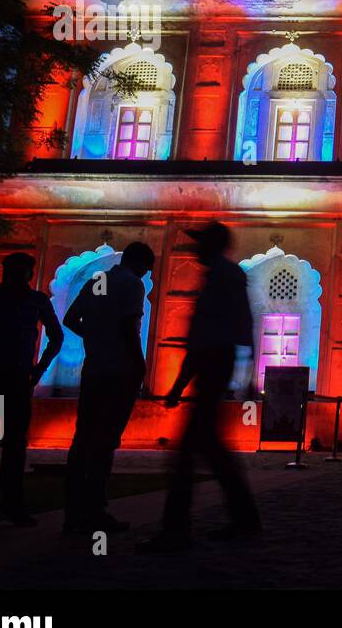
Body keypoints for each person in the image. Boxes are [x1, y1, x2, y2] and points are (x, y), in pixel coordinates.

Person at [138, 222, 260, 552]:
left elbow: (218, 331)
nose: (195, 249)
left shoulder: (224, 276)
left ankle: (176, 530)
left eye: (200, 243)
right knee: (210, 448)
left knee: (187, 454)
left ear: (212, 245)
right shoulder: (223, 275)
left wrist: (182, 383)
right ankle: (244, 518)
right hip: (214, 362)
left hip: (214, 362)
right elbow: (234, 327)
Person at [0, 253, 63, 526]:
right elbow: (56, 337)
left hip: (6, 378)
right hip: (0, 378)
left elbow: (57, 336)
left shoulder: (2, 299)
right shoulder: (20, 300)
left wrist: (38, 369)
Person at [62, 241, 155, 534]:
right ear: (140, 264)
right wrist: (139, 365)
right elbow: (130, 329)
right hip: (118, 372)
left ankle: (74, 513)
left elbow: (69, 319)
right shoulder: (132, 284)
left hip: (94, 369)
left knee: (83, 440)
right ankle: (96, 510)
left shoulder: (97, 280)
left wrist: (96, 337)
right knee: (105, 442)